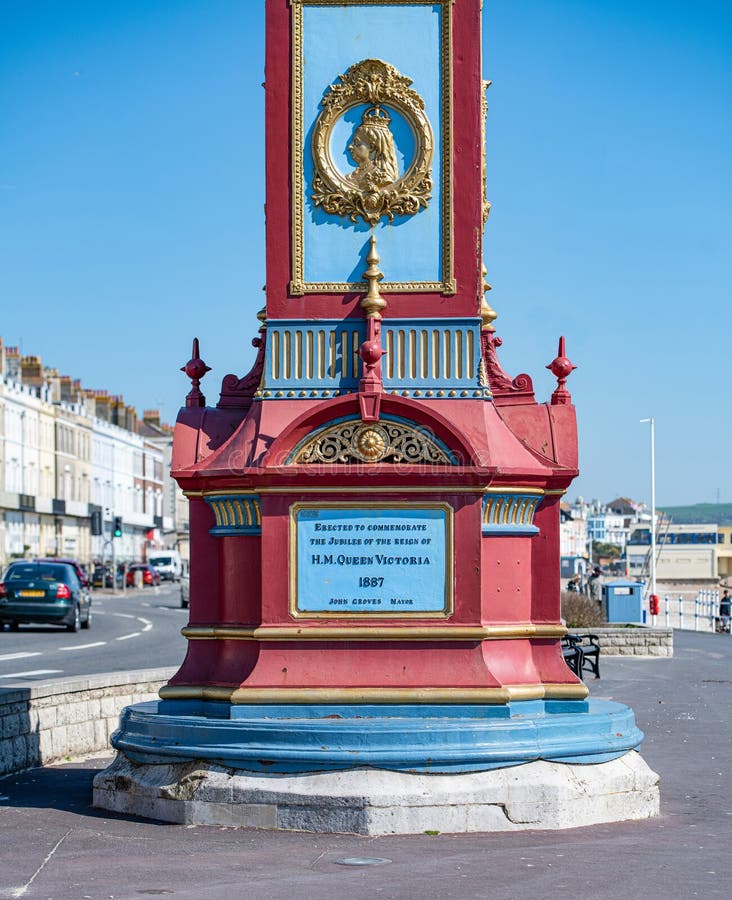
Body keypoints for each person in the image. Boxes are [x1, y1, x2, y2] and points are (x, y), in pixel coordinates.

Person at [347, 105, 399, 191]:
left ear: (371, 147)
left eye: (356, 143)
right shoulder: (356, 173)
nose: (350, 146)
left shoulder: (384, 178)